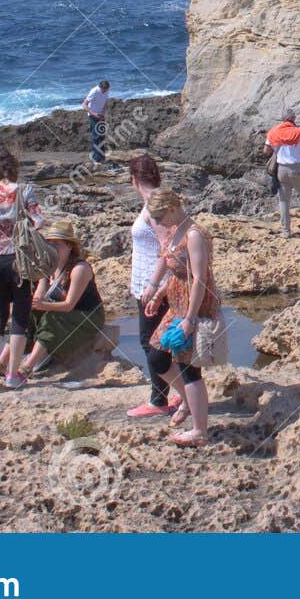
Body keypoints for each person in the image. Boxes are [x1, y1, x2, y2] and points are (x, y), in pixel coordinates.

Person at [144, 188, 221, 447]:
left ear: (172, 208)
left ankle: (200, 431)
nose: (158, 223)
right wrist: (158, 294)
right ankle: (188, 402)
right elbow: (175, 272)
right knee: (156, 355)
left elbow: (199, 279)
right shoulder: (175, 230)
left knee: (190, 368)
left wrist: (190, 319)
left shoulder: (194, 234)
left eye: (159, 216)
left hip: (194, 308)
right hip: (176, 306)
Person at [0, 147, 42, 387]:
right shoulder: (25, 191)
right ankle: (12, 375)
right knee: (20, 318)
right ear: (13, 168)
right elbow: (39, 222)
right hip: (19, 261)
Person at [126, 154, 180, 418]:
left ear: (133, 179)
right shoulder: (159, 200)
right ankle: (173, 393)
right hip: (154, 284)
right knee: (163, 343)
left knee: (151, 344)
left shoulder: (152, 206)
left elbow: (166, 248)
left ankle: (163, 399)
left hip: (154, 286)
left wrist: (153, 285)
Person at [18, 219, 105, 378]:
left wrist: (43, 305)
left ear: (69, 246)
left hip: (85, 314)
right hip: (61, 309)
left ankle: (27, 367)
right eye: (49, 243)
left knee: (53, 318)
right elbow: (41, 291)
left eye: (57, 244)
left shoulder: (79, 268)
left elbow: (69, 304)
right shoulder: (48, 265)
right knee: (25, 314)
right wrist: (34, 303)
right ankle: (4, 361)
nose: (52, 248)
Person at [265, 110, 300, 236]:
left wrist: (277, 149)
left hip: (281, 169)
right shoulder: (299, 132)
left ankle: (286, 231)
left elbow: (266, 150)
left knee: (283, 200)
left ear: (282, 120)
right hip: (296, 168)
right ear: (293, 118)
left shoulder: (274, 131)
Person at [82, 79, 111, 164]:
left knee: (102, 136)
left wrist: (103, 113)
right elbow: (84, 104)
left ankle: (101, 157)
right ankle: (95, 159)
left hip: (101, 115)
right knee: (96, 136)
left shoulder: (106, 91)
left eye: (106, 89)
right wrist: (94, 114)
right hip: (93, 115)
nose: (105, 91)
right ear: (100, 87)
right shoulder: (94, 91)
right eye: (104, 89)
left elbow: (105, 102)